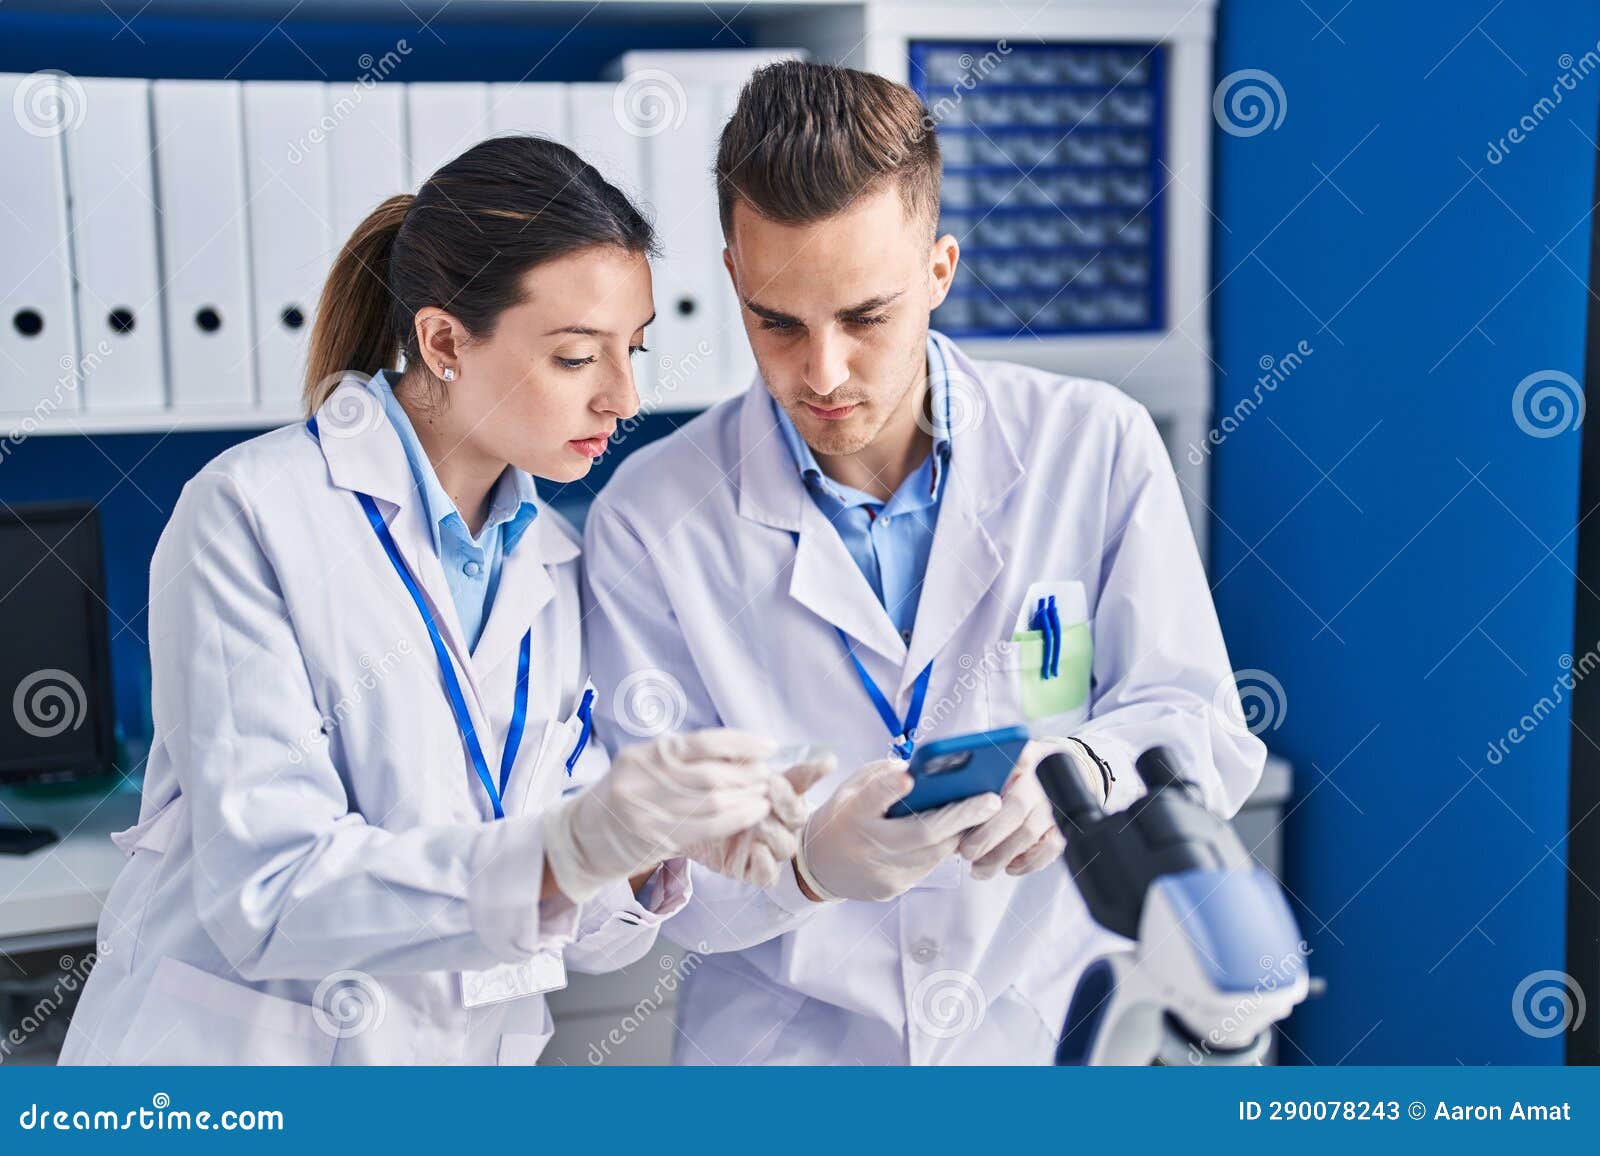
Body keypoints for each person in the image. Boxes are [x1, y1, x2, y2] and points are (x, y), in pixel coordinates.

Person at [59, 135, 820, 1066]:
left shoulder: (551, 561)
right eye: (577, 357)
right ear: (445, 342)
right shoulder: (250, 514)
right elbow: (271, 891)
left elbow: (584, 932)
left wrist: (653, 847)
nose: (623, 398)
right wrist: (564, 850)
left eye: (634, 349)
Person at [582, 62, 1266, 1065]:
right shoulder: (650, 518)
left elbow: (1199, 724)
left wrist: (1084, 771)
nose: (822, 372)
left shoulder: (1094, 445)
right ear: (732, 279)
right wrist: (805, 867)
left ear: (939, 270)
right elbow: (641, 860)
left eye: (866, 317)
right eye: (778, 321)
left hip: (1038, 1038)